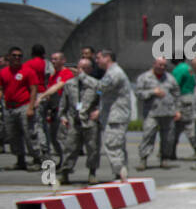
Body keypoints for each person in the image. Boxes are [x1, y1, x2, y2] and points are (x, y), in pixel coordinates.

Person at [57, 56, 100, 183]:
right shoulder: (69, 84)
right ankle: (65, 173)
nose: (82, 71)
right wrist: (63, 117)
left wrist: (98, 112)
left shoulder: (95, 84)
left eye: (86, 68)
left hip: (89, 121)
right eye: (80, 68)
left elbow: (102, 102)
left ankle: (92, 173)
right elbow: (63, 104)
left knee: (93, 148)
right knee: (70, 148)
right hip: (74, 120)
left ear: (91, 69)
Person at [91, 50, 131, 181]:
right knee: (117, 146)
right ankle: (121, 173)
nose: (96, 61)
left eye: (98, 58)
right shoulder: (111, 72)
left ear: (107, 58)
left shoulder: (115, 73)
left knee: (112, 145)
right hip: (113, 115)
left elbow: (101, 86)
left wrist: (83, 77)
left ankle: (120, 174)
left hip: (116, 117)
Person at [134, 56, 181, 170]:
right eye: (160, 65)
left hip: (168, 113)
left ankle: (164, 158)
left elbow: (177, 94)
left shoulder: (170, 78)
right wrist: (152, 92)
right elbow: (138, 93)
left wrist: (178, 110)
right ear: (154, 64)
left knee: (168, 138)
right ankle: (143, 159)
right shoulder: (144, 78)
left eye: (164, 65)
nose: (162, 67)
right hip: (152, 113)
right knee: (148, 135)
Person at [35, 51, 75, 167]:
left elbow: (58, 86)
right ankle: (62, 161)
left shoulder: (66, 73)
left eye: (56, 59)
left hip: (65, 112)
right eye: (52, 59)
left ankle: (66, 164)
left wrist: (41, 96)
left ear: (63, 60)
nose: (53, 61)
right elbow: (51, 93)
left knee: (62, 138)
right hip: (54, 111)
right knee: (54, 138)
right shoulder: (53, 75)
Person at [1, 47, 37, 170]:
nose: (17, 58)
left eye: (19, 56)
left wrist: (31, 107)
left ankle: (36, 159)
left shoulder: (28, 71)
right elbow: (1, 89)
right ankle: (20, 160)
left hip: (24, 105)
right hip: (9, 108)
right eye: (14, 55)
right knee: (12, 135)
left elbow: (33, 89)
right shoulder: (3, 72)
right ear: (9, 57)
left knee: (29, 134)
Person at [171, 53, 196, 159]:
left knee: (181, 126)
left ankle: (171, 151)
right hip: (191, 98)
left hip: (181, 100)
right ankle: (171, 151)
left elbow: (173, 85)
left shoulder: (178, 69)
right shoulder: (189, 68)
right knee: (188, 125)